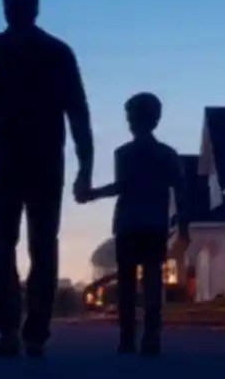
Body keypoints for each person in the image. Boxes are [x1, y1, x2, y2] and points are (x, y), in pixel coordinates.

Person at [0, 0, 93, 358]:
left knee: (2, 243)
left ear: (7, 9)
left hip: (7, 156)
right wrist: (86, 165)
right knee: (43, 243)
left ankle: (10, 329)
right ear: (36, 9)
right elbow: (78, 112)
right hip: (46, 157)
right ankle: (35, 330)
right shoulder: (58, 52)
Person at [79, 92, 189, 356]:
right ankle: (150, 337)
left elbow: (122, 186)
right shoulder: (167, 154)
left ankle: (128, 338)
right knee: (152, 281)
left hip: (129, 223)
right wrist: (183, 226)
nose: (130, 122)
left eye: (131, 117)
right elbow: (182, 191)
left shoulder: (125, 154)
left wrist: (92, 193)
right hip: (154, 224)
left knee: (128, 283)